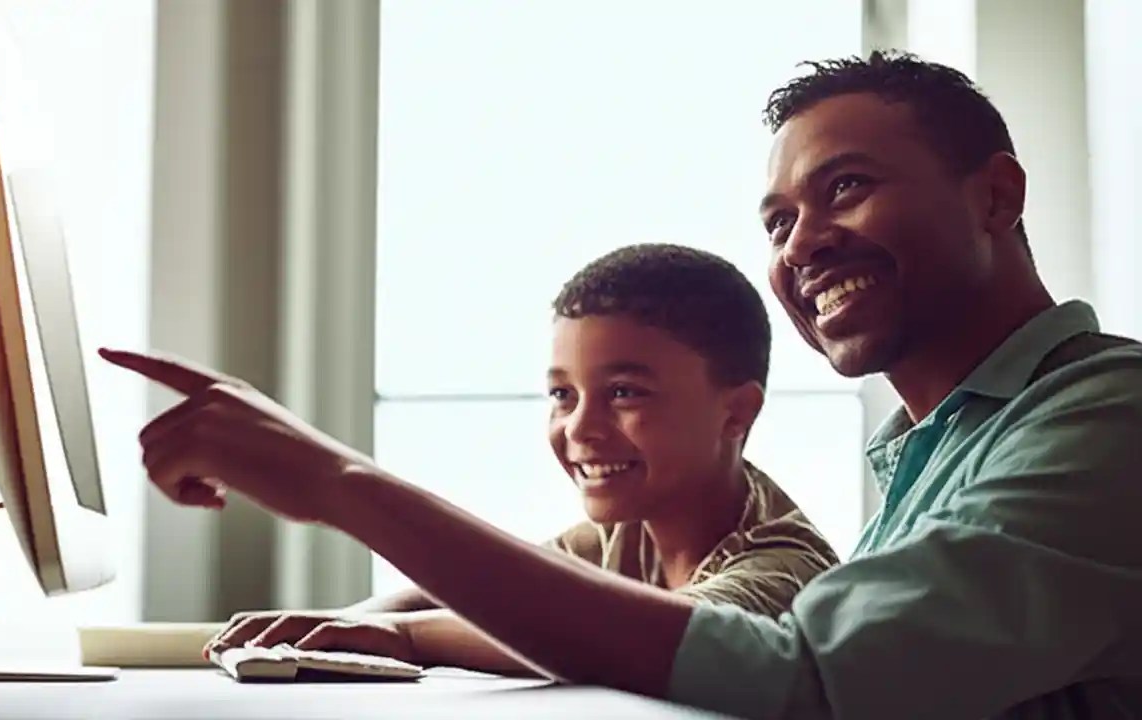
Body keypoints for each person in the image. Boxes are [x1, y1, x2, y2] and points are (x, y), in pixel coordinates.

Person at [103, 50, 1142, 719]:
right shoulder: (939, 453)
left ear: (995, 195)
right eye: (775, 222)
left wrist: (340, 484)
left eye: (846, 188)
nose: (802, 243)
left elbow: (804, 674)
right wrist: (355, 621)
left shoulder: (1107, 414)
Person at [187, 244, 839, 674]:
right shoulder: (622, 539)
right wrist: (345, 627)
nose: (579, 426)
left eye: (623, 393)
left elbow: (629, 635)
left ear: (736, 413)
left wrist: (412, 640)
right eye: (562, 394)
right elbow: (487, 581)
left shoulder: (784, 569)